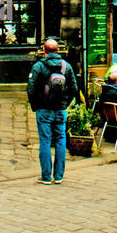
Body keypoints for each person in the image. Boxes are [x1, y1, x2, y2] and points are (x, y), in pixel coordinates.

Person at [27, 38, 77, 185]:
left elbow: (31, 89)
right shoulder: (66, 66)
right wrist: (65, 104)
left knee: (45, 141)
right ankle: (59, 176)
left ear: (44, 50)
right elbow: (74, 89)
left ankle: (46, 177)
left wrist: (36, 105)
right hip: (60, 109)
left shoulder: (38, 66)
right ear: (57, 50)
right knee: (61, 141)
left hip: (44, 109)